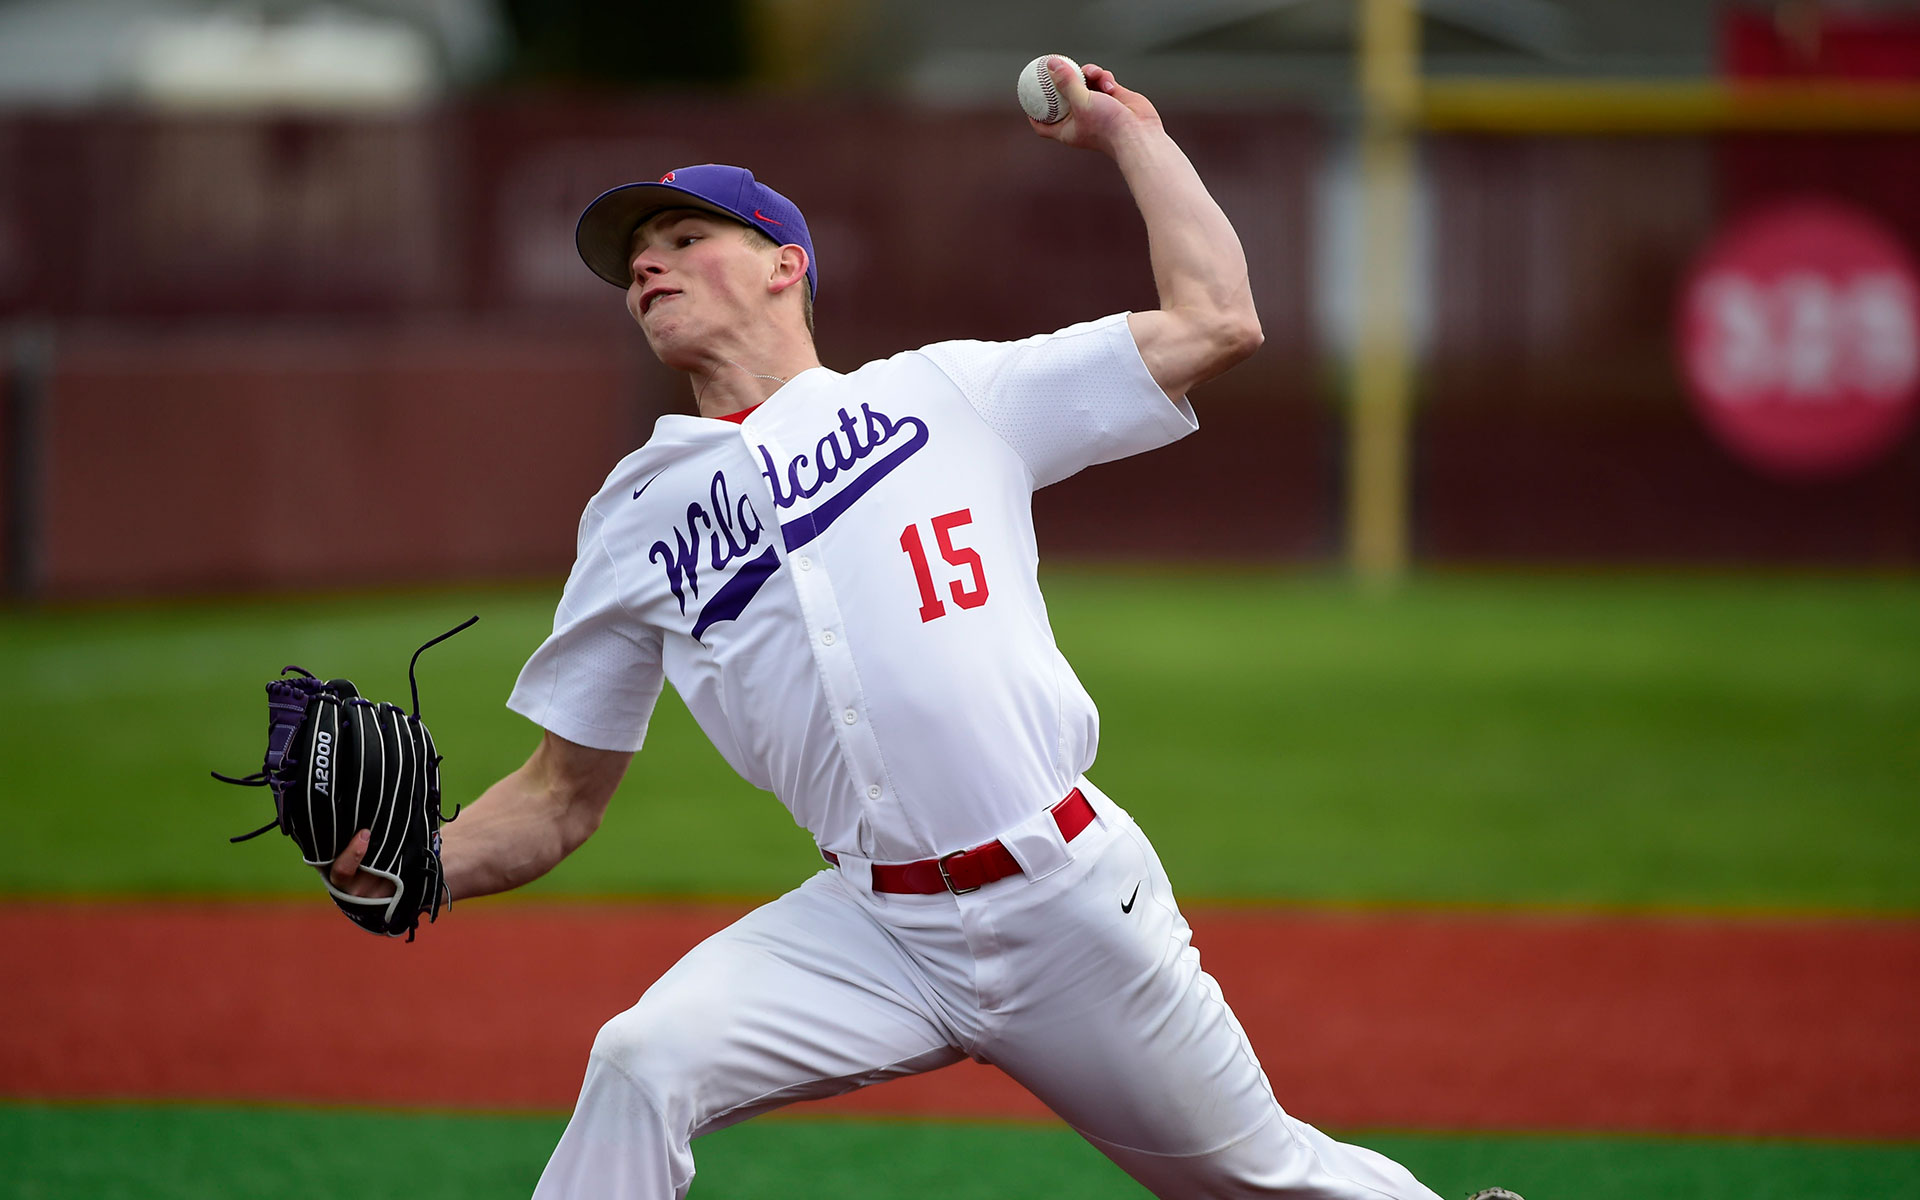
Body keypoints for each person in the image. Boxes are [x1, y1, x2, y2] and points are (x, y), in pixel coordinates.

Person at [330, 58, 1467, 1200]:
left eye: (683, 238)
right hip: (873, 930)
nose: (645, 267)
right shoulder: (636, 516)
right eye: (635, 260)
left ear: (786, 265)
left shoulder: (944, 394)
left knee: (1265, 1181)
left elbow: (1218, 321)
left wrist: (1133, 137)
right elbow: (558, 797)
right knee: (641, 1059)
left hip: (1067, 903)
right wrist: (407, 868)